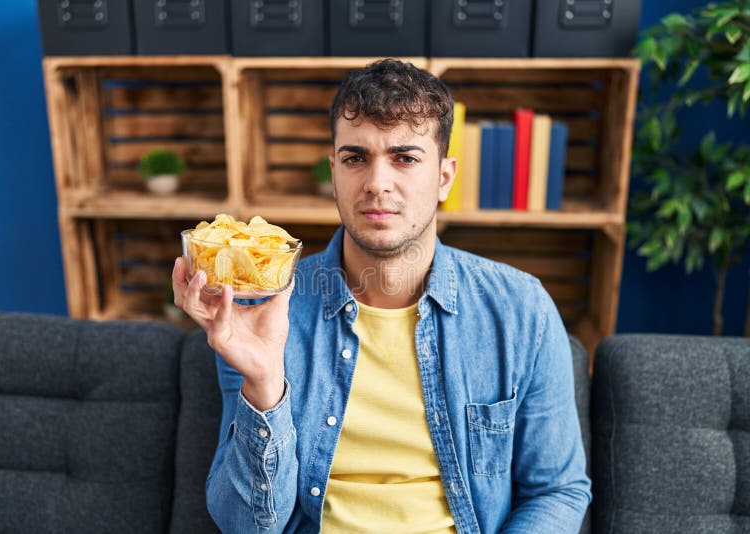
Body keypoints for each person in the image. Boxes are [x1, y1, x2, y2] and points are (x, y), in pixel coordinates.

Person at [171, 58, 591, 533]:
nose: (376, 183)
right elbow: (247, 526)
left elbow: (557, 491)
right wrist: (265, 383)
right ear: (334, 171)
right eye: (355, 158)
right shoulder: (262, 310)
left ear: (445, 177)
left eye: (405, 158)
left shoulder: (522, 310)